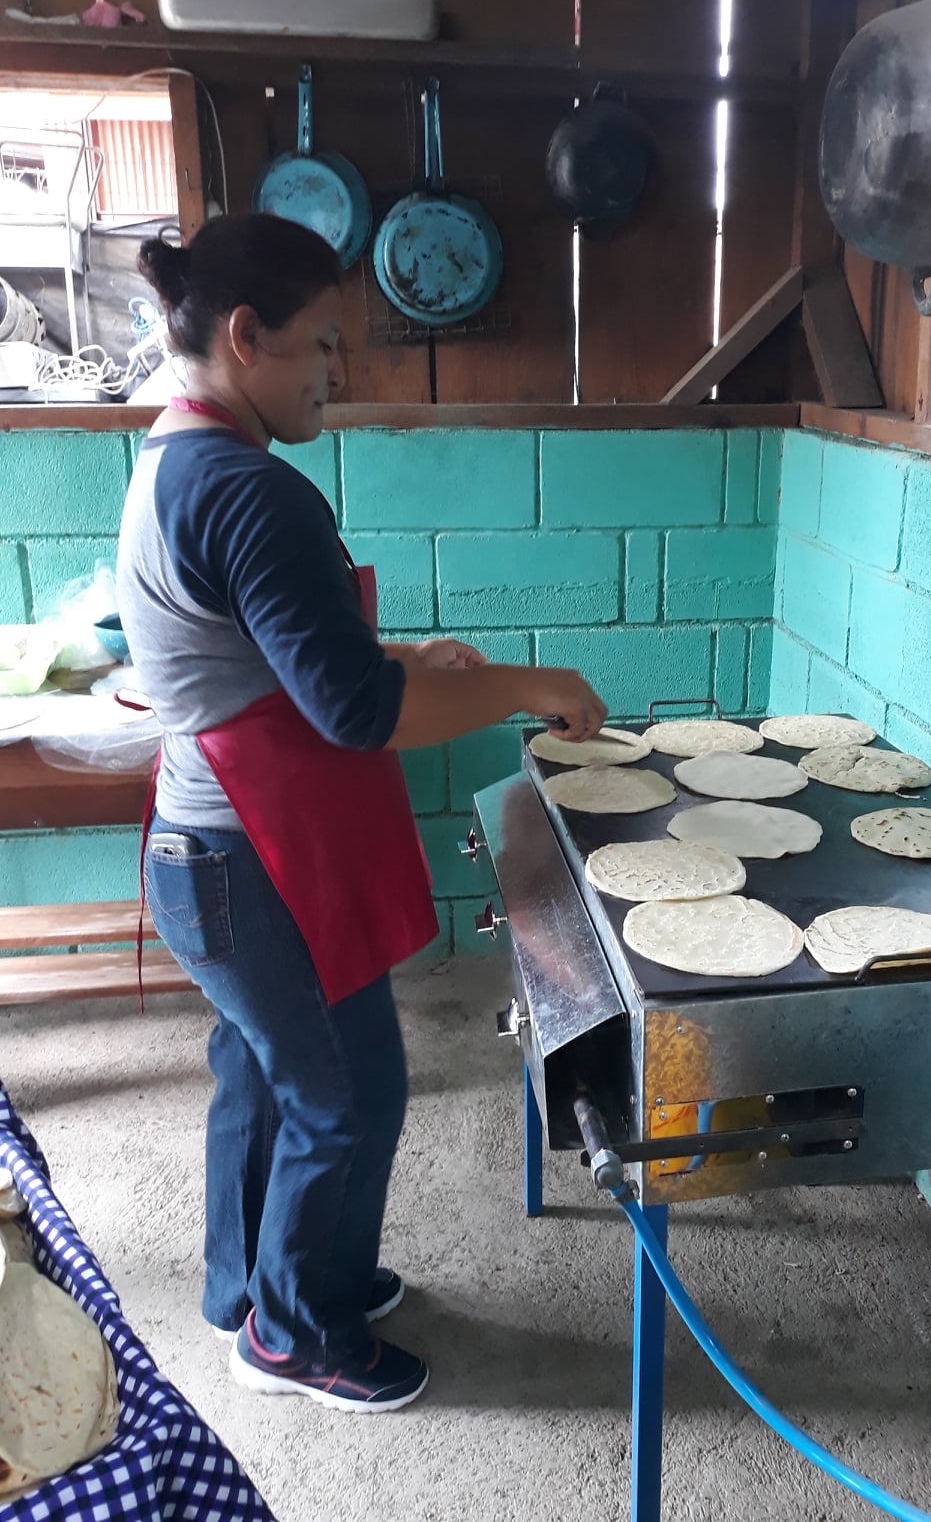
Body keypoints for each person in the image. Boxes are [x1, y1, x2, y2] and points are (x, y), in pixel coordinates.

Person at [117, 213, 607, 1414]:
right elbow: (355, 714)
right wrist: (528, 686)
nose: (337, 371)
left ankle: (260, 1284)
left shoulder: (173, 459)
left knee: (261, 1072)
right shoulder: (249, 489)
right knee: (344, 1094)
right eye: (322, 345)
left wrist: (392, 652)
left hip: (206, 855)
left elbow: (270, 657)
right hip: (249, 859)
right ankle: (292, 1336)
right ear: (245, 336)